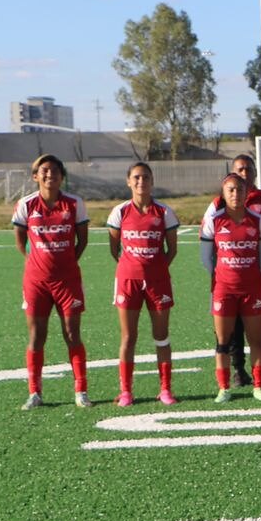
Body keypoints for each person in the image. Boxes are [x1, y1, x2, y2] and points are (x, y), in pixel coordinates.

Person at [13, 154, 91, 409]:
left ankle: (81, 390)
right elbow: (20, 240)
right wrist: (37, 262)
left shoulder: (74, 204)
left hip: (67, 280)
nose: (50, 175)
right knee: (37, 335)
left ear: (62, 176)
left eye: (55, 171)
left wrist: (66, 262)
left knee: (72, 333)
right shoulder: (26, 205)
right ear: (35, 176)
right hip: (36, 281)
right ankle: (34, 392)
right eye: (44, 171)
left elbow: (82, 240)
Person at [105, 161, 179, 406]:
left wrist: (155, 268)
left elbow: (171, 250)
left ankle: (165, 389)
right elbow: (114, 248)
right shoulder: (120, 212)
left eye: (145, 177)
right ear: (128, 181)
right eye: (136, 177)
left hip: (158, 282)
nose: (141, 181)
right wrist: (133, 266)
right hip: (128, 281)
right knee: (128, 337)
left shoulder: (164, 212)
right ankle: (126, 391)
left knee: (162, 335)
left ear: (152, 181)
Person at [200, 172, 261, 402]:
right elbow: (206, 259)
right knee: (223, 341)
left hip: (252, 288)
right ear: (223, 193)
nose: (235, 194)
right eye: (230, 189)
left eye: (239, 189)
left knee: (256, 340)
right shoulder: (215, 220)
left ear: (246, 193)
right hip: (224, 289)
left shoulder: (258, 221)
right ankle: (224, 387)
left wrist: (247, 273)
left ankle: (259, 386)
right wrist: (224, 275)